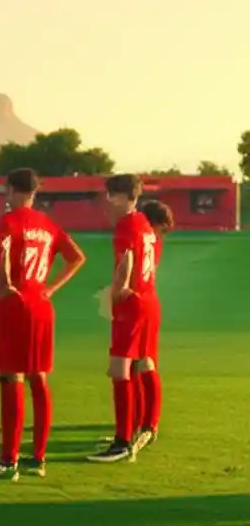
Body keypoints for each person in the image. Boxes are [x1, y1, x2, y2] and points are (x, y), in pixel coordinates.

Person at [0, 169, 85, 480]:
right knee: (38, 377)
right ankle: (39, 457)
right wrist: (51, 288)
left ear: (11, 189)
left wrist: (4, 285)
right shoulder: (48, 225)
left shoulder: (10, 220)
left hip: (16, 304)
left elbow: (3, 255)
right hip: (42, 305)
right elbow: (76, 258)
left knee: (10, 377)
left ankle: (8, 460)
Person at [88, 174, 166, 463]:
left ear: (123, 197)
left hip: (132, 304)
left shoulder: (126, 225)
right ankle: (134, 430)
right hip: (148, 301)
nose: (108, 202)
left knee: (120, 370)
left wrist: (118, 289)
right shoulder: (144, 224)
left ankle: (122, 442)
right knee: (140, 364)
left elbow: (126, 259)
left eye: (111, 196)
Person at [133, 200, 173, 448]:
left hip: (142, 302)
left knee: (144, 362)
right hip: (148, 301)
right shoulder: (154, 241)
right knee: (138, 363)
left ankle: (150, 423)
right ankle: (141, 421)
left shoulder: (146, 239)